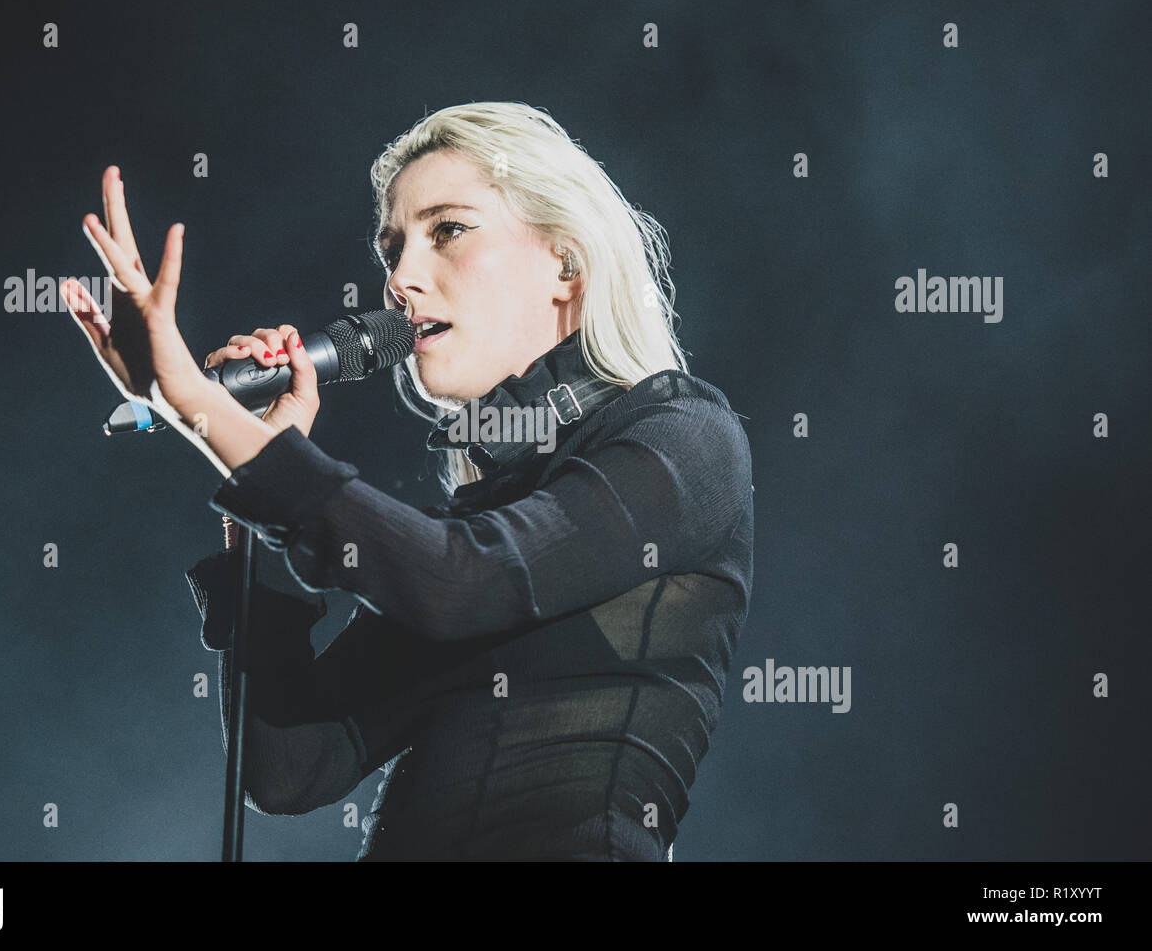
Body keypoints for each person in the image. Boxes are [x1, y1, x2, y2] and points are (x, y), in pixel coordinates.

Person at [62, 102, 754, 861]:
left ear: (567, 263)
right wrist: (260, 462)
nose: (399, 278)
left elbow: (462, 582)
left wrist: (200, 406)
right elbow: (292, 767)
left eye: (446, 230)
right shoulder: (484, 519)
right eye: (393, 248)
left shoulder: (685, 436)